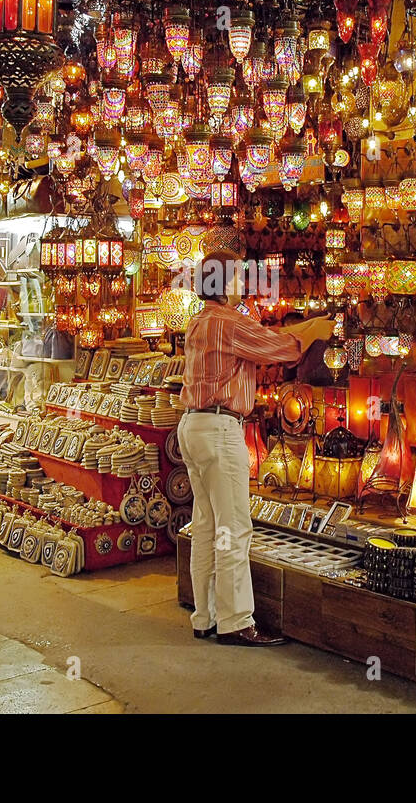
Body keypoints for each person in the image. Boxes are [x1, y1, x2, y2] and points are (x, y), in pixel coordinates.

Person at [179, 251, 332, 646]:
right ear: (224, 283)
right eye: (236, 279)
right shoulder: (228, 323)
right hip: (218, 428)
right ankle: (236, 622)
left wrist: (306, 327)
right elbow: (281, 348)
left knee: (207, 526)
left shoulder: (199, 322)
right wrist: (313, 329)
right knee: (232, 528)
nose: (242, 286)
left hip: (194, 425)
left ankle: (205, 616)